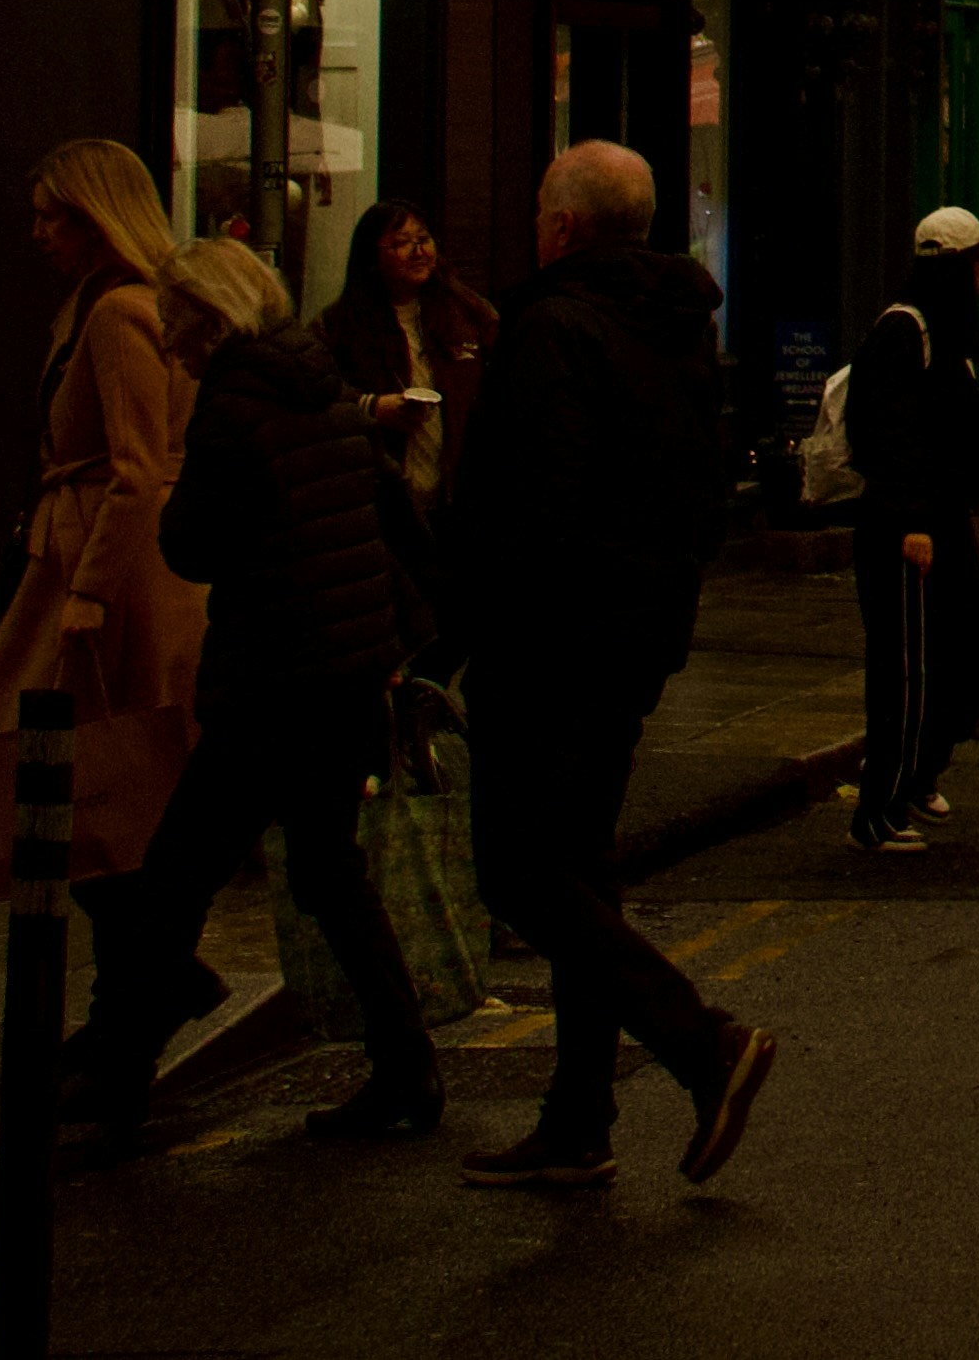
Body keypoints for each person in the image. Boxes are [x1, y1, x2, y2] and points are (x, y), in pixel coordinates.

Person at [449, 142, 774, 1192]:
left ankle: (699, 1040)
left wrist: (456, 630)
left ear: (562, 226)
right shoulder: (675, 326)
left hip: (549, 638)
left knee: (517, 869)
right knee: (580, 868)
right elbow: (699, 483)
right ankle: (579, 1112)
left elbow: (530, 502)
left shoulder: (551, 329)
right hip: (636, 629)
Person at [79, 238, 441, 1142]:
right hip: (348, 671)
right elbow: (383, 511)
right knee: (330, 874)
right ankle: (406, 1069)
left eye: (173, 323)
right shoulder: (321, 381)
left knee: (174, 878)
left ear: (207, 318)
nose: (166, 343)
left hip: (272, 679)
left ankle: (117, 1097)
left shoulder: (232, 405)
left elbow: (192, 546)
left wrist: (169, 505)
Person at [0, 141, 208, 1066]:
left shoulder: (116, 312)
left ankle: (138, 1003)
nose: (38, 235)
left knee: (86, 790)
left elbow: (135, 468)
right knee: (102, 792)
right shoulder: (119, 302)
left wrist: (86, 594)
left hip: (104, 573)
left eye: (52, 217)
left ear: (98, 216)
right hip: (101, 560)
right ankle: (141, 998)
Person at [843, 205, 979, 854]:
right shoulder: (903, 330)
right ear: (960, 265)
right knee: (904, 670)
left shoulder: (944, 335)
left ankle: (917, 773)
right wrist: (912, 519)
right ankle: (877, 809)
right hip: (906, 526)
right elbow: (886, 430)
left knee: (971, 652)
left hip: (944, 519)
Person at [320, 198, 494, 506]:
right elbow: (317, 396)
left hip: (460, 496)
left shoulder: (467, 312)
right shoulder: (339, 325)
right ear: (372, 257)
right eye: (401, 243)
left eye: (424, 240)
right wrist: (372, 407)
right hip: (379, 496)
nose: (418, 252)